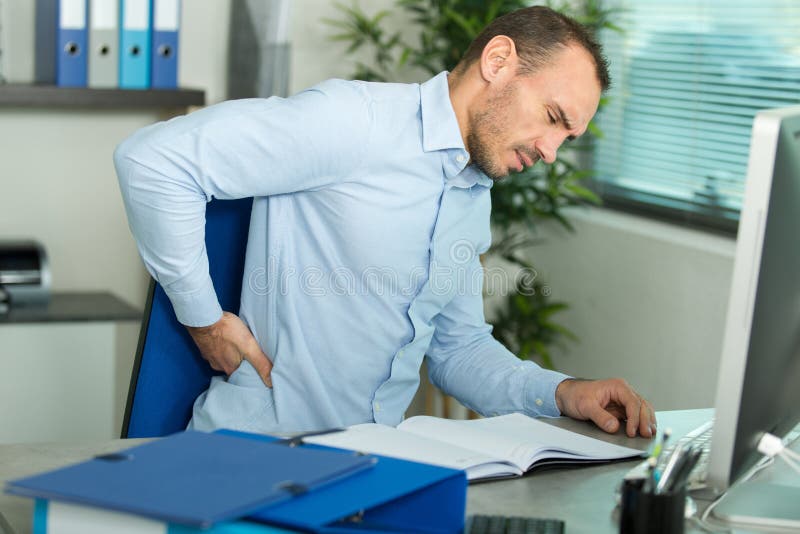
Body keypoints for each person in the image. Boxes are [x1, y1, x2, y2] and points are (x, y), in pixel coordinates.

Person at [115, 6, 656, 438]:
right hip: (260, 457)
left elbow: (458, 349)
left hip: (367, 474)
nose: (551, 152)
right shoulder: (356, 122)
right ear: (498, 62)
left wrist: (564, 393)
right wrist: (204, 321)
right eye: (553, 119)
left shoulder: (472, 195)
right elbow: (152, 161)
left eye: (568, 137)